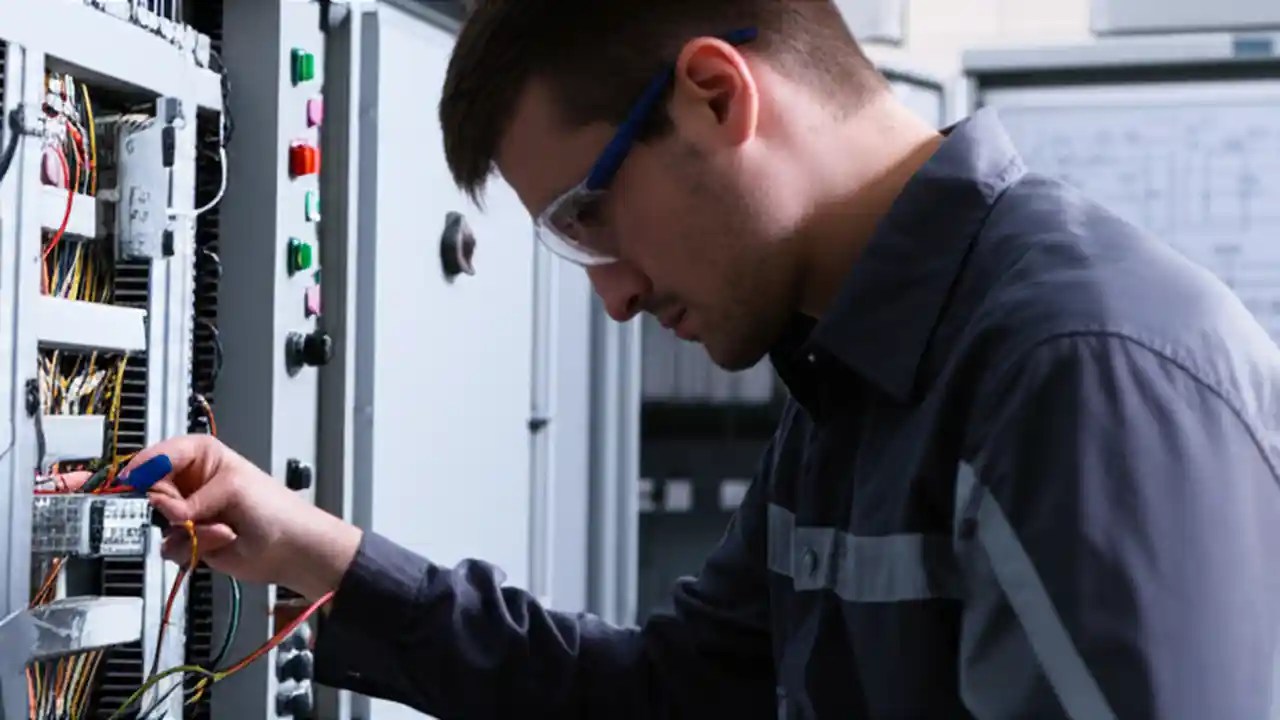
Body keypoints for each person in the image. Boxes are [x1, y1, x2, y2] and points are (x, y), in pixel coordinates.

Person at [112, 0, 1280, 717]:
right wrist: (320, 556)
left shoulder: (1073, 372)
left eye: (586, 220)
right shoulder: (855, 381)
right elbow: (664, 696)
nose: (611, 299)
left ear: (715, 95)